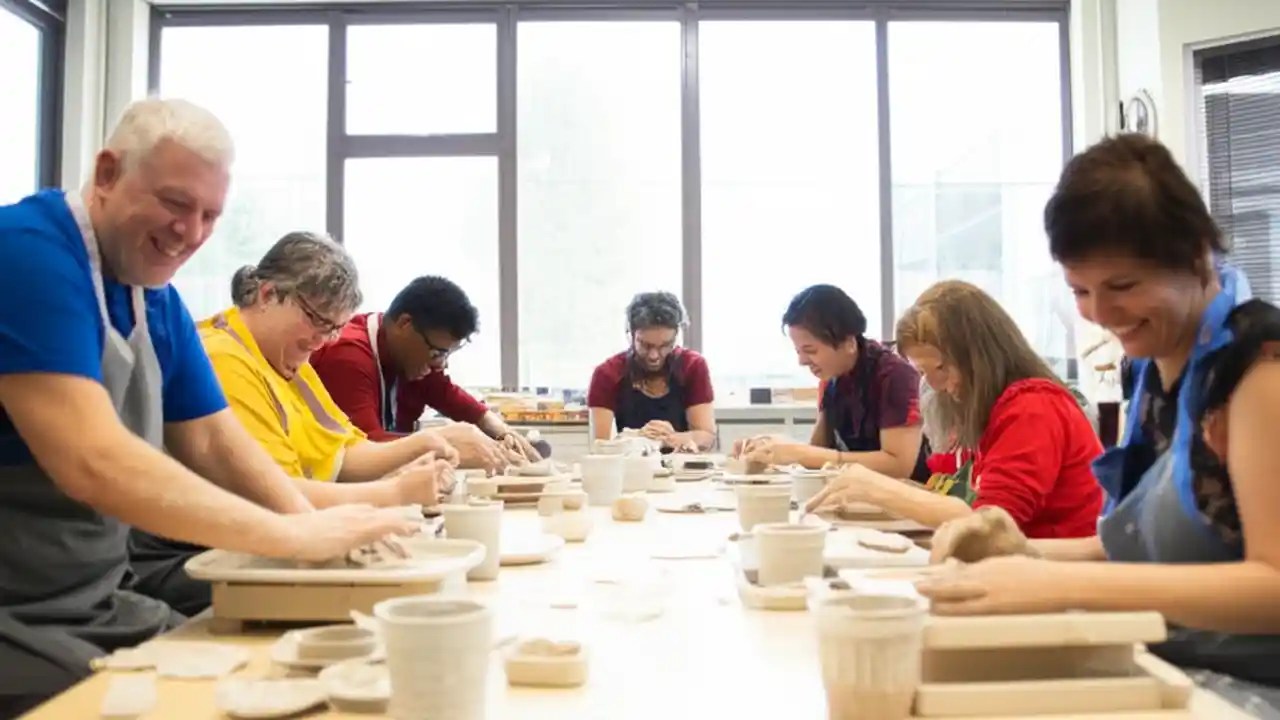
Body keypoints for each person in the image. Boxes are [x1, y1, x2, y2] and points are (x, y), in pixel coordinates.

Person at [0, 98, 415, 716]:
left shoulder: (155, 300)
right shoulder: (25, 254)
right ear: (107, 174)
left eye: (210, 216)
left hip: (100, 598)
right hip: (16, 616)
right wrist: (291, 534)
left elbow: (214, 443)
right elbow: (90, 460)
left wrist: (322, 536)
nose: (190, 233)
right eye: (174, 203)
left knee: (273, 679)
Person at [915, 134, 1280, 713]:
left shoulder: (1260, 369)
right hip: (1167, 665)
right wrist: (1023, 555)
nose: (1101, 315)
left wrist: (1062, 583)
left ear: (1196, 255)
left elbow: (1273, 583)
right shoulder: (1150, 367)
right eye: (1079, 290)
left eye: (1123, 287)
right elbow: (1144, 555)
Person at [129, 232, 459, 616]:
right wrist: (392, 494)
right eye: (317, 321)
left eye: (334, 328)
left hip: (269, 526)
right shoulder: (224, 357)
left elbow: (342, 452)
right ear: (268, 295)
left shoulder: (286, 358)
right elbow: (269, 494)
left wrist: (419, 452)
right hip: (196, 549)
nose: (321, 341)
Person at [808, 280, 1104, 538]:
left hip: (1051, 573)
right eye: (924, 373)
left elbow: (991, 524)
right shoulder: (990, 408)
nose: (935, 384)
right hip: (1021, 565)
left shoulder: (1033, 408)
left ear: (981, 355)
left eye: (941, 367)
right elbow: (960, 497)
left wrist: (882, 490)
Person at [311, 275, 537, 473]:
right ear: (405, 324)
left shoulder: (410, 354)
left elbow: (447, 394)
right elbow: (367, 450)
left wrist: (500, 431)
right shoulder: (348, 356)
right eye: (438, 352)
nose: (440, 365)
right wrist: (449, 443)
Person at [738, 285, 930, 479]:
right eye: (798, 351)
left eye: (811, 351)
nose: (802, 361)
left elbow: (899, 465)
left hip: (908, 496)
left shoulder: (895, 375)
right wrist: (772, 449)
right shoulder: (831, 377)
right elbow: (817, 450)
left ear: (849, 343)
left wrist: (800, 453)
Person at [587, 291, 716, 451]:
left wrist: (671, 438)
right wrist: (637, 438)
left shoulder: (692, 366)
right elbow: (600, 446)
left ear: (676, 336)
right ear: (631, 335)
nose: (654, 356)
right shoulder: (607, 374)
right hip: (632, 467)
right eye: (645, 345)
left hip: (683, 468)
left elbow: (707, 436)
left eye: (665, 346)